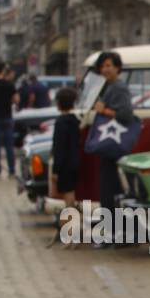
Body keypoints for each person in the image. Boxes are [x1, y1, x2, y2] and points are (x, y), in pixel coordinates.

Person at [90, 50, 134, 216]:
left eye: (108, 65)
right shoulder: (110, 86)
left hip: (114, 145)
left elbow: (126, 114)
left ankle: (114, 232)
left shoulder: (119, 88)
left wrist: (105, 111)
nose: (105, 70)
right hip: (110, 145)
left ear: (118, 68)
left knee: (110, 189)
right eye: (102, 66)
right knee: (109, 189)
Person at [50, 86, 81, 247]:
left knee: (68, 201)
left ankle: (71, 234)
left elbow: (59, 148)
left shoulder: (60, 122)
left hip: (65, 165)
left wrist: (55, 170)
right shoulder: (75, 121)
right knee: (72, 197)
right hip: (75, 162)